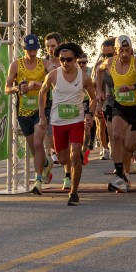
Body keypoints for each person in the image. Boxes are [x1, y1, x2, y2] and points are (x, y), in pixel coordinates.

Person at [39, 42, 97, 206]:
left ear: (75, 59)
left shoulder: (84, 77)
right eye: (62, 59)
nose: (65, 63)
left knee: (75, 155)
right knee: (64, 159)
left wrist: (89, 114)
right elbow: (42, 93)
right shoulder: (52, 76)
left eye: (69, 59)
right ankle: (72, 164)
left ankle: (74, 192)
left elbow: (94, 98)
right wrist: (42, 115)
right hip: (58, 122)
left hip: (76, 121)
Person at [98, 34, 136, 192]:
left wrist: (133, 87)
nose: (124, 54)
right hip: (121, 106)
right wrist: (99, 91)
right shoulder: (110, 62)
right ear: (116, 51)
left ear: (131, 50)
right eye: (121, 50)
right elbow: (98, 70)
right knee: (117, 136)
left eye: (127, 50)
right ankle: (120, 176)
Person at [4, 33, 49, 192]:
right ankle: (44, 163)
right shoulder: (15, 65)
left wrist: (40, 84)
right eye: (29, 49)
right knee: (33, 148)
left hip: (41, 109)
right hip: (23, 111)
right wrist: (18, 88)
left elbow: (55, 78)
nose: (33, 52)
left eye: (35, 49)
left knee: (38, 143)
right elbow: (7, 88)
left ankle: (38, 181)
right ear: (23, 49)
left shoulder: (44, 64)